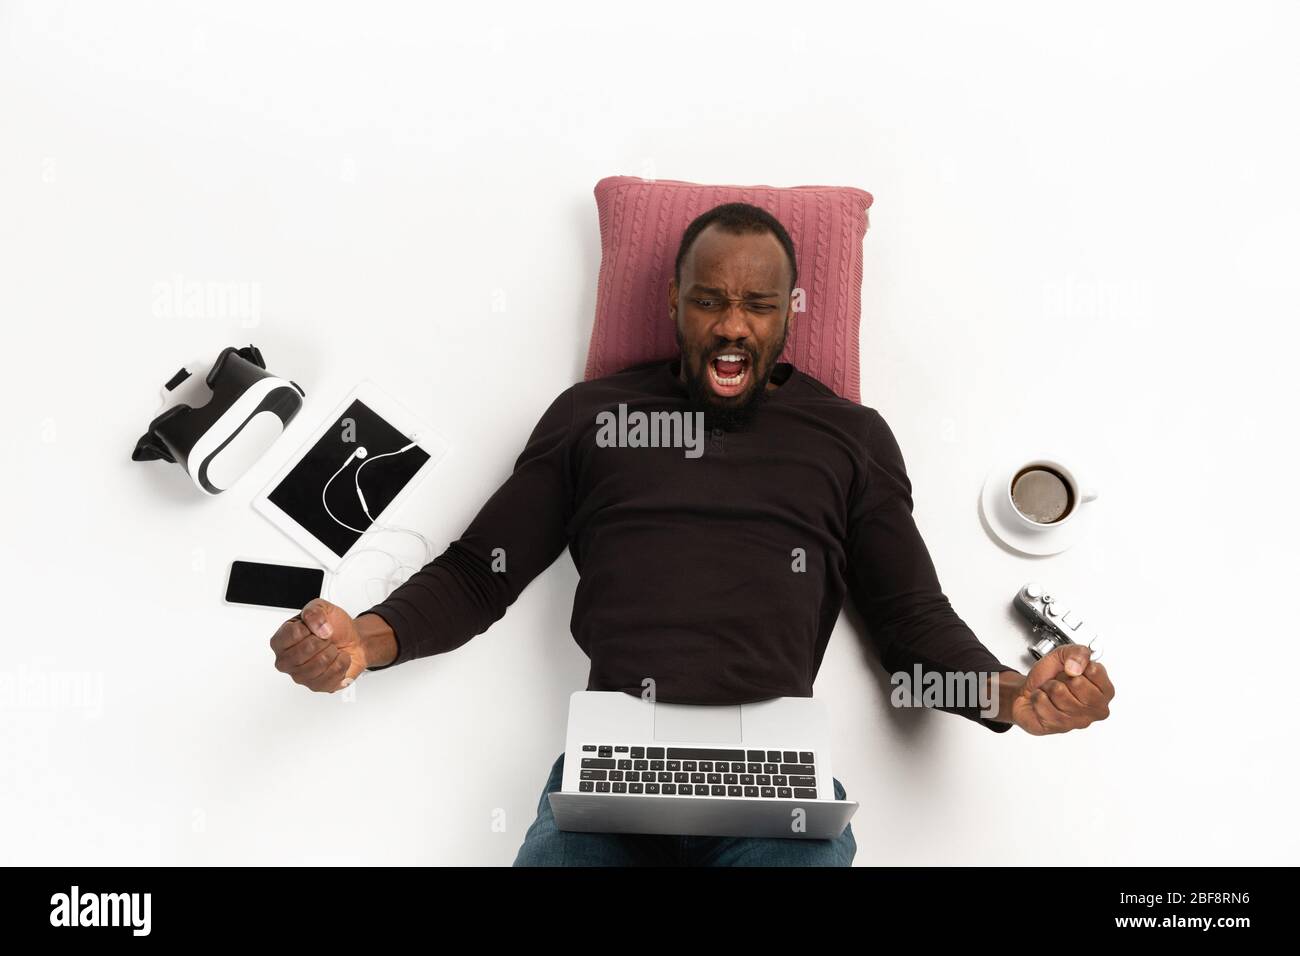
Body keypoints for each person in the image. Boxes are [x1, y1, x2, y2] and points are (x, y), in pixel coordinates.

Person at [269, 202, 1116, 866]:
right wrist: (359, 644)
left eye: (756, 305)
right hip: (611, 774)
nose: (732, 327)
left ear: (791, 311)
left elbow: (913, 627)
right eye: (709, 300)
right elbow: (478, 574)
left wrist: (1013, 697)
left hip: (774, 791)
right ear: (675, 301)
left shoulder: (850, 437)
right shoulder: (593, 418)